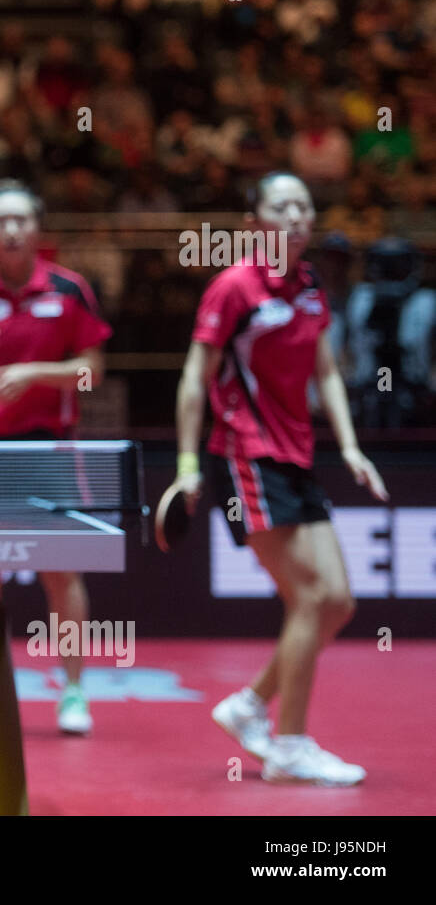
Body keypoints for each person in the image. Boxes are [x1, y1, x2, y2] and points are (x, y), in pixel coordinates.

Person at [174, 170, 387, 786]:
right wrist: (186, 464)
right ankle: (289, 744)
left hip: (296, 456)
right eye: (280, 206)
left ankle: (248, 706)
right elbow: (194, 378)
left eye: (304, 205)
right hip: (243, 453)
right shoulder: (233, 289)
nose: (296, 215)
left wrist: (349, 446)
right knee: (310, 598)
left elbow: (324, 374)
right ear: (253, 224)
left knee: (338, 603)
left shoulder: (313, 286)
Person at [0, 180, 112, 734]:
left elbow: (93, 372)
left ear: (38, 228)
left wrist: (36, 375)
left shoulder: (70, 290)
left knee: (60, 574)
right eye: (0, 221)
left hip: (47, 451)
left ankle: (73, 691)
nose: (12, 229)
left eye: (22, 219)